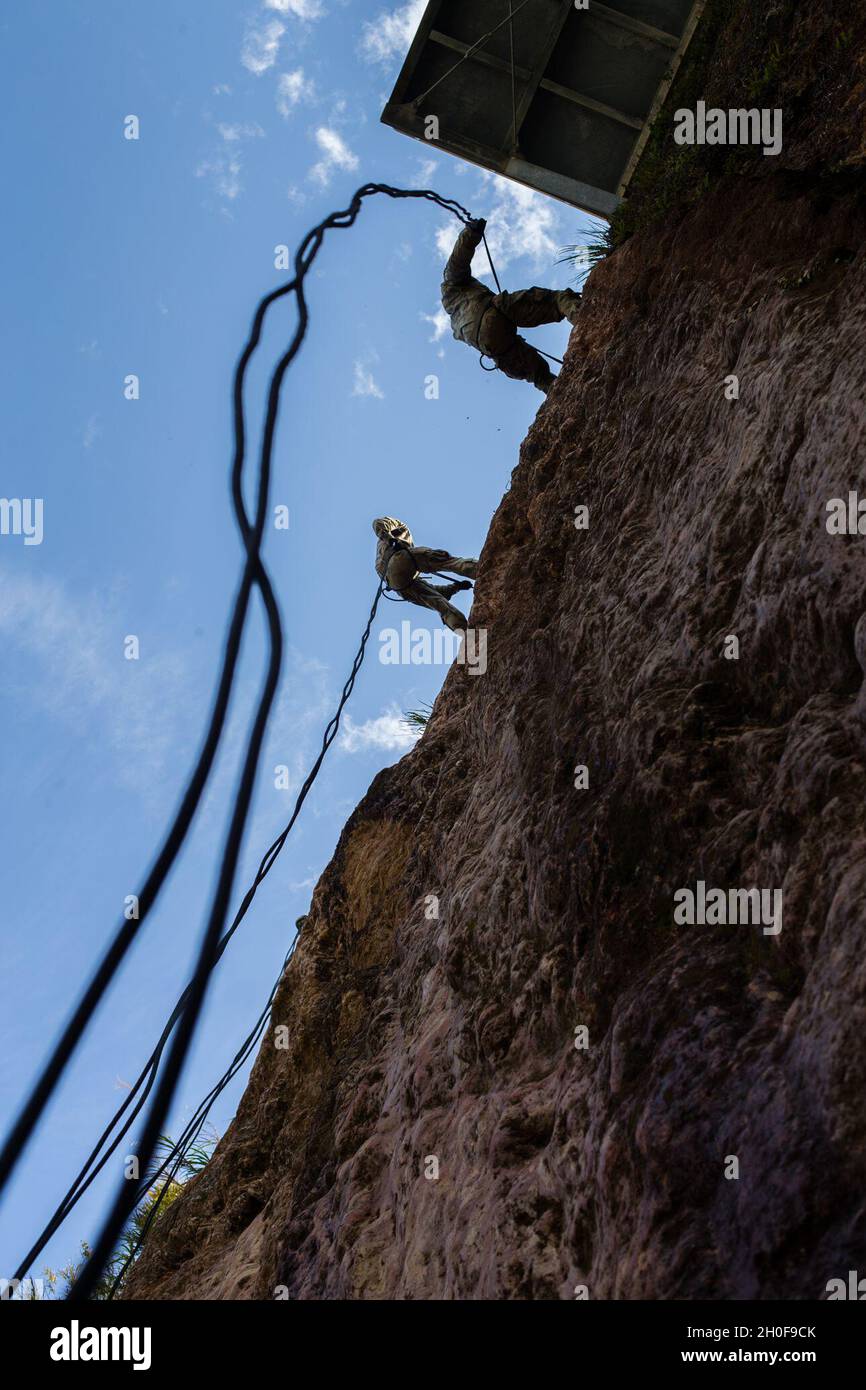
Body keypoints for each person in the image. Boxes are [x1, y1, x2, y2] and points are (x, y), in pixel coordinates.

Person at [441, 217, 581, 394]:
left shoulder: (455, 321)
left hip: (492, 346)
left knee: (537, 374)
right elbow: (457, 261)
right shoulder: (451, 284)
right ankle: (585, 318)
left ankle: (560, 394)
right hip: (492, 311)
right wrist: (472, 232)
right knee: (555, 301)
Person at [372, 516, 477, 632]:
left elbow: (435, 592)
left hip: (396, 583)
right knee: (448, 562)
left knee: (439, 604)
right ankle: (480, 569)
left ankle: (466, 634)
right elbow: (378, 523)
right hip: (402, 556)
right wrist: (391, 539)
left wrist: (456, 587)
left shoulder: (379, 559)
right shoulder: (398, 526)